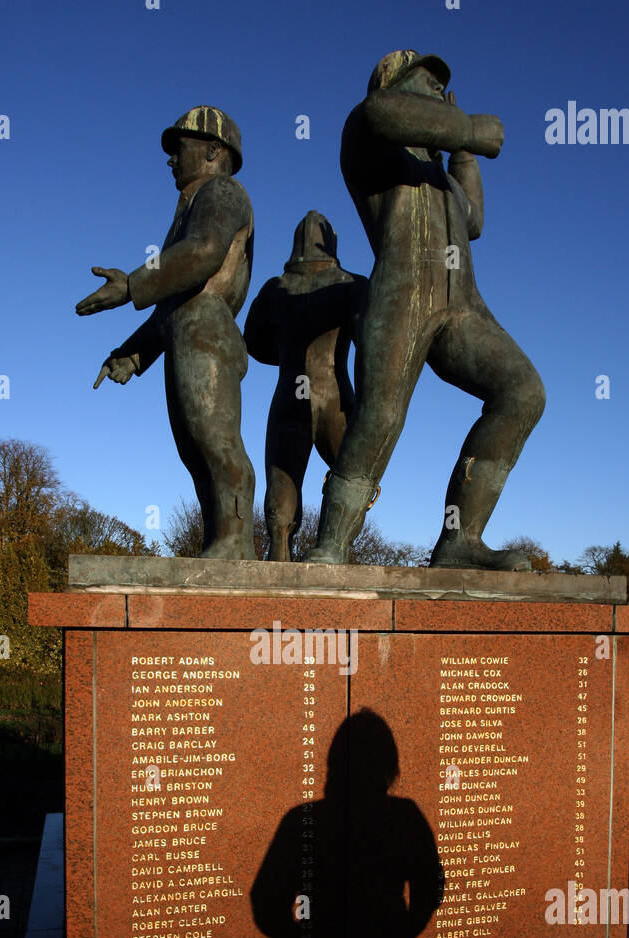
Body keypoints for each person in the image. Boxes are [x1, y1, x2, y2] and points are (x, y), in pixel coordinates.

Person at [305, 51, 546, 570]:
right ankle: (332, 542)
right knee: (381, 416)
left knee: (523, 392)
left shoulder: (438, 174)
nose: (440, 88)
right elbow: (384, 114)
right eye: (428, 80)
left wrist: (463, 152)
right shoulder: (370, 132)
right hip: (401, 295)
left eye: (443, 85)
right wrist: (467, 127)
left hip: (463, 305)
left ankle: (461, 539)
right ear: (391, 83)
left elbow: (474, 221)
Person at [75, 106, 257, 559]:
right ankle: (220, 541)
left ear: (213, 150)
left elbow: (204, 252)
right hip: (187, 330)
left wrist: (132, 286)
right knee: (195, 454)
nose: (171, 159)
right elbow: (172, 303)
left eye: (180, 148)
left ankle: (236, 542)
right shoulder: (191, 203)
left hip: (208, 329)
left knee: (215, 442)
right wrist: (133, 353)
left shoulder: (222, 191)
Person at [244, 212, 366, 560]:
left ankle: (279, 552)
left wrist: (286, 353)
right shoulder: (352, 285)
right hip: (336, 398)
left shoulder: (274, 289)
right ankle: (332, 549)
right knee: (353, 475)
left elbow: (252, 342)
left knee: (282, 477)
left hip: (289, 395)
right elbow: (372, 343)